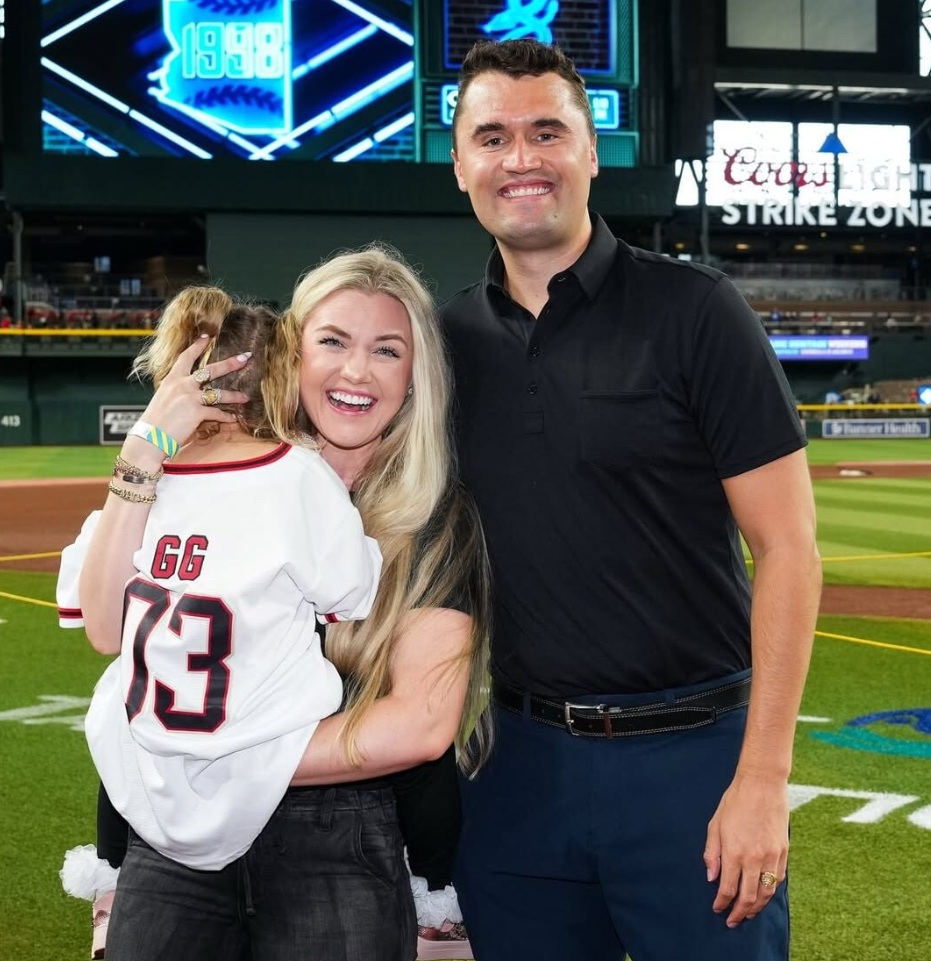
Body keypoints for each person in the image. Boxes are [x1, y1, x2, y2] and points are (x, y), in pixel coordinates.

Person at [441, 39, 822, 961]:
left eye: (547, 132)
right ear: (459, 166)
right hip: (516, 764)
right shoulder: (440, 338)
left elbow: (787, 548)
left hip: (693, 760)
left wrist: (762, 778)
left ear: (590, 151)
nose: (520, 158)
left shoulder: (694, 309)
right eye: (491, 136)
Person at [58, 248, 490, 961]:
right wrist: (144, 451)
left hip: (337, 834)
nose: (356, 370)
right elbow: (105, 628)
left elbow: (420, 726)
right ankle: (112, 882)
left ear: (415, 378)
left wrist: (203, 750)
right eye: (332, 341)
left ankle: (434, 903)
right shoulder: (192, 481)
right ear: (288, 355)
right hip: (173, 847)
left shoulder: (434, 516)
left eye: (386, 350)